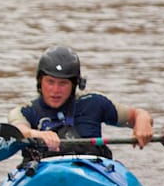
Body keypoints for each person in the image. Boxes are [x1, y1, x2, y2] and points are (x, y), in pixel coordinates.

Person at [9, 46, 152, 159]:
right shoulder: (25, 111)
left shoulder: (95, 103)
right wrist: (37, 134)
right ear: (40, 81)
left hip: (93, 169)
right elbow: (18, 131)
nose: (55, 90)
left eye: (63, 83)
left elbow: (137, 115)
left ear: (75, 84)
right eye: (50, 82)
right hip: (42, 171)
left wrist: (143, 121)